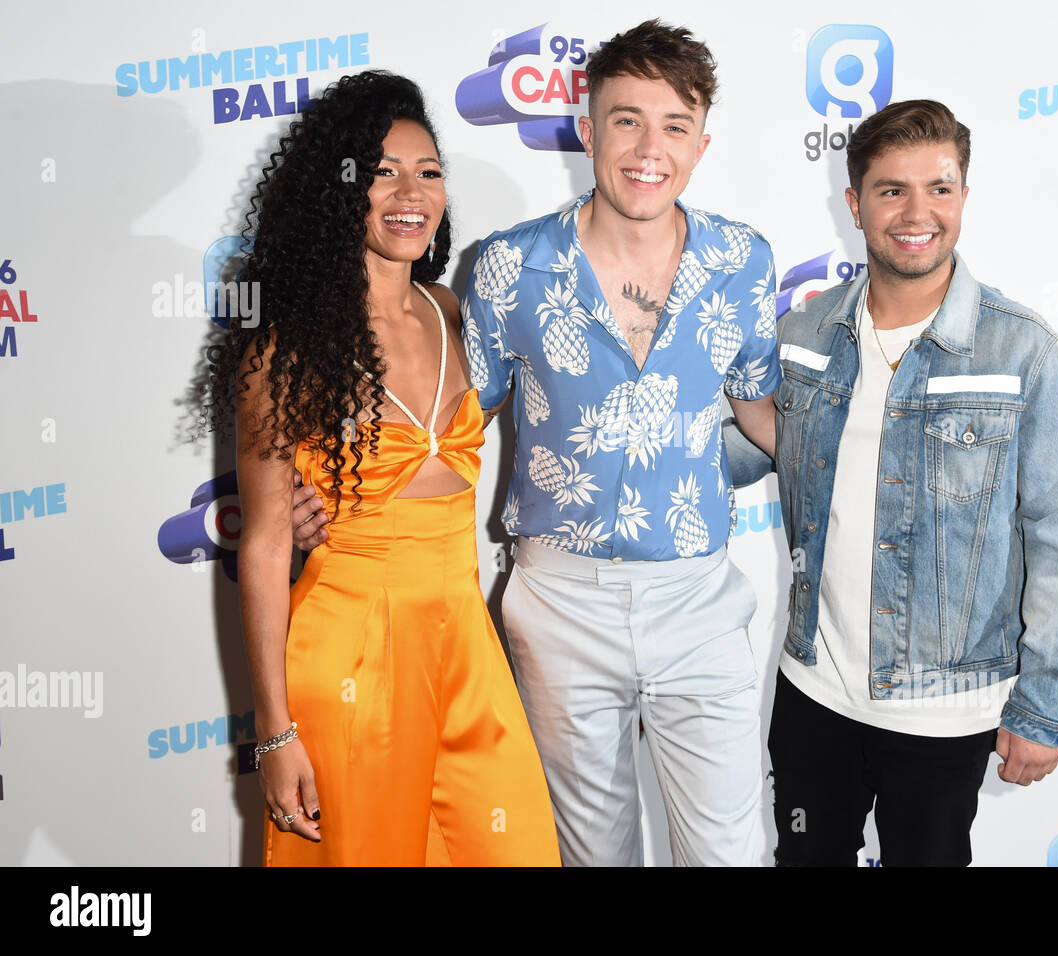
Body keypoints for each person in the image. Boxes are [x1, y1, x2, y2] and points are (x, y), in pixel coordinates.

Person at [294, 21, 779, 866]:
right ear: (588, 131)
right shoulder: (508, 268)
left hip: (699, 601)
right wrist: (321, 492)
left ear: (702, 144)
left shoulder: (744, 261)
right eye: (626, 120)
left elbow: (762, 413)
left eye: (673, 125)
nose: (647, 148)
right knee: (589, 855)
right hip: (559, 604)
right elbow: (443, 425)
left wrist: (868, 467)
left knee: (730, 854)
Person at [727, 99, 1058, 866]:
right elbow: (753, 454)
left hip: (944, 710)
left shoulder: (1026, 352)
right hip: (813, 691)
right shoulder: (802, 335)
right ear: (855, 203)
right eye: (892, 189)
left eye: (939, 187)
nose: (916, 212)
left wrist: (1045, 703)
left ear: (964, 196)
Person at [214, 70, 559, 866]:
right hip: (351, 658)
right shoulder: (285, 350)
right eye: (383, 172)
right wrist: (274, 733)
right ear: (340, 192)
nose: (412, 192)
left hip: (467, 645)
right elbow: (265, 546)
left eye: (429, 172)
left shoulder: (451, 311)